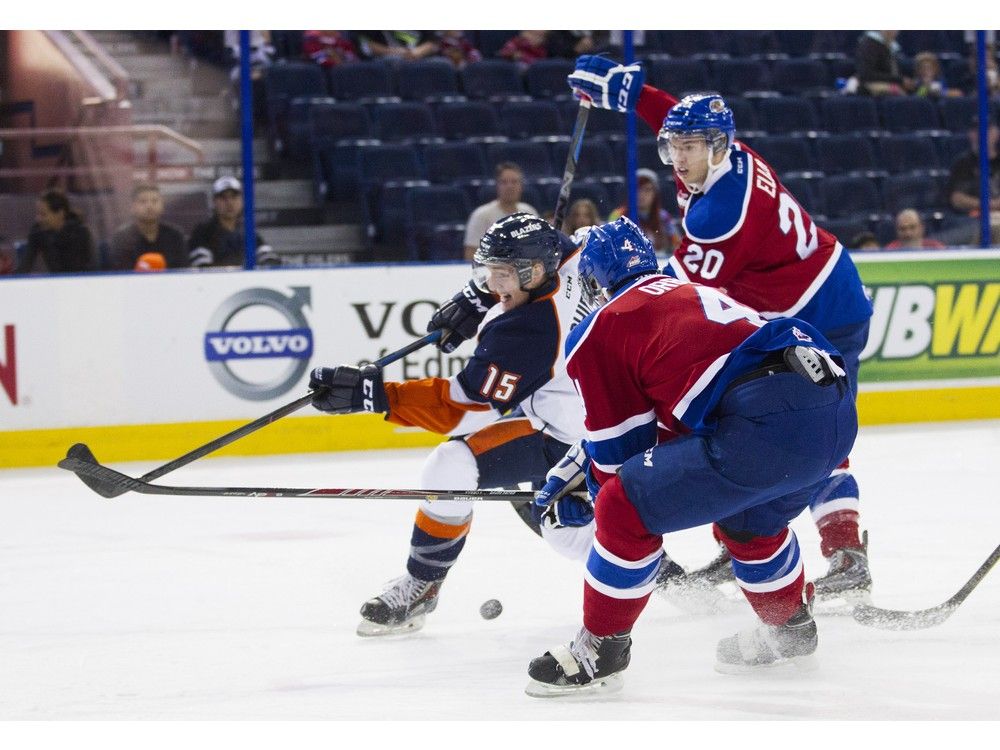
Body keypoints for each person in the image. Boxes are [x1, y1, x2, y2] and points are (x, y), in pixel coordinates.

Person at [566, 57, 874, 604]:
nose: (679, 159)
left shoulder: (720, 217)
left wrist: (603, 292)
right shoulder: (727, 155)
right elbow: (675, 116)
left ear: (717, 145)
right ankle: (748, 538)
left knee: (810, 418)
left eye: (690, 148)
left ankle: (845, 551)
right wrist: (627, 91)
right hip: (801, 299)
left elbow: (660, 295)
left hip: (825, 311)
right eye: (672, 148)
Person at [526, 217, 857, 695]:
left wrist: (596, 495)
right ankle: (790, 630)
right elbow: (678, 414)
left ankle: (599, 650)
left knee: (623, 507)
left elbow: (624, 462)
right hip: (831, 410)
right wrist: (587, 464)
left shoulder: (603, 324)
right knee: (748, 520)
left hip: (762, 422)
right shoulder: (685, 291)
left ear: (588, 282)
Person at [308, 213, 599, 636]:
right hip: (586, 414)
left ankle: (421, 585)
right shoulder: (568, 258)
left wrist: (372, 395)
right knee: (561, 525)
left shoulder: (531, 328)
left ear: (535, 272)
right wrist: (474, 296)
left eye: (503, 276)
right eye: (488, 273)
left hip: (565, 437)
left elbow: (462, 409)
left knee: (453, 467)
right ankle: (660, 573)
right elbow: (561, 238)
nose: (495, 286)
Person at [188, 177, 278, 268]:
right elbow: (202, 268)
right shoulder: (203, 233)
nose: (229, 203)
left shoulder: (248, 232)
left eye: (234, 197)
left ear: (241, 201)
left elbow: (269, 260)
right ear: (214, 202)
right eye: (223, 198)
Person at [463, 162, 538, 260]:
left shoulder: (530, 213)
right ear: (497, 185)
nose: (510, 186)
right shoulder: (481, 215)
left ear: (521, 186)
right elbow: (470, 254)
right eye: (504, 182)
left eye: (514, 182)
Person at [109, 183, 187, 270]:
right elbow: (121, 272)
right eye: (143, 201)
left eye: (155, 201)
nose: (149, 206)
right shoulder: (122, 238)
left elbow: (182, 269)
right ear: (133, 207)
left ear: (162, 205)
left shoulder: (175, 236)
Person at [16, 189, 94, 274]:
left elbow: (81, 269)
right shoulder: (37, 231)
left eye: (43, 214)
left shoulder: (80, 232)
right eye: (38, 214)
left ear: (60, 213)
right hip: (55, 283)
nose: (38, 219)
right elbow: (26, 264)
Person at [607, 168, 681, 252]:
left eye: (647, 190)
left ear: (655, 194)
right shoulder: (618, 215)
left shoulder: (663, 217)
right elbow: (610, 246)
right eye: (637, 189)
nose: (642, 194)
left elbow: (677, 245)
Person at [854, 31, 912, 96]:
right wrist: (899, 80)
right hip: (871, 86)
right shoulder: (869, 45)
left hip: (892, 84)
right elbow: (866, 74)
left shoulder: (893, 47)